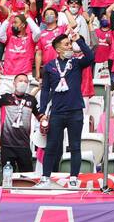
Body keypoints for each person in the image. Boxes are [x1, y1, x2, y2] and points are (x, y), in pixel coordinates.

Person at [38, 31, 95, 185]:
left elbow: (90, 57)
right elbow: (45, 90)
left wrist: (79, 41)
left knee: (75, 146)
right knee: (51, 146)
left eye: (70, 44)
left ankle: (74, 178)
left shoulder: (76, 63)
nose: (70, 46)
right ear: (58, 49)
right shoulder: (49, 66)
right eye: (67, 44)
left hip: (75, 111)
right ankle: (45, 178)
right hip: (56, 112)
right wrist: (42, 111)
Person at [0, 74, 39, 178]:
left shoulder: (31, 100)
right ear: (14, 83)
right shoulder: (5, 98)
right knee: (7, 178)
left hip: (24, 146)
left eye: (25, 81)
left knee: (27, 179)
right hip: (7, 146)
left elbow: (40, 116)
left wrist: (44, 120)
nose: (23, 83)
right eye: (20, 80)